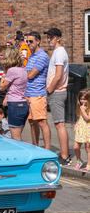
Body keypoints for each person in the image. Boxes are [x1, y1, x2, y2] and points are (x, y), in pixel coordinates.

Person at [44, 28, 71, 165]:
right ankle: (65, 153)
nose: (49, 40)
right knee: (58, 124)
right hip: (56, 91)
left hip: (57, 92)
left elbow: (59, 74)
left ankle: (65, 156)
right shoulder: (57, 52)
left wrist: (49, 89)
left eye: (52, 37)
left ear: (59, 38)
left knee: (60, 124)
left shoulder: (59, 52)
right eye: (48, 37)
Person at [25, 31, 51, 150]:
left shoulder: (42, 56)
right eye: (27, 41)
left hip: (38, 94)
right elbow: (27, 73)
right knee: (32, 122)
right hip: (29, 93)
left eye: (31, 41)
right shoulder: (32, 56)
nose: (28, 43)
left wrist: (24, 73)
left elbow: (31, 75)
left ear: (38, 41)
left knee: (41, 122)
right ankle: (36, 147)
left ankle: (47, 149)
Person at [0, 47, 29, 141]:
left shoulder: (12, 71)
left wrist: (4, 74)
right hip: (24, 104)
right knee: (19, 134)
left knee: (15, 137)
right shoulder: (24, 69)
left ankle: (20, 155)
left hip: (15, 104)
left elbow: (2, 87)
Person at [73, 89, 90, 171]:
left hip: (88, 129)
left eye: (84, 99)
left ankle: (89, 164)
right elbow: (80, 117)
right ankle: (78, 160)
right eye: (81, 99)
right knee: (76, 147)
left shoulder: (88, 108)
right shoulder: (80, 107)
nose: (82, 101)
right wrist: (76, 124)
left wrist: (83, 110)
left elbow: (87, 119)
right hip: (81, 128)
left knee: (87, 147)